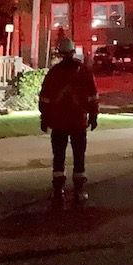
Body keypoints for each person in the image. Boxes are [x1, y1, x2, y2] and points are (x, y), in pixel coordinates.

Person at [39, 38, 99, 203]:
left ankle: (58, 191)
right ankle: (79, 191)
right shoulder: (84, 71)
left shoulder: (54, 73)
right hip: (78, 122)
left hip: (58, 123)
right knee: (79, 156)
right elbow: (93, 96)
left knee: (59, 156)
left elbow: (45, 98)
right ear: (73, 52)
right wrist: (93, 116)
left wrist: (44, 119)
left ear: (59, 54)